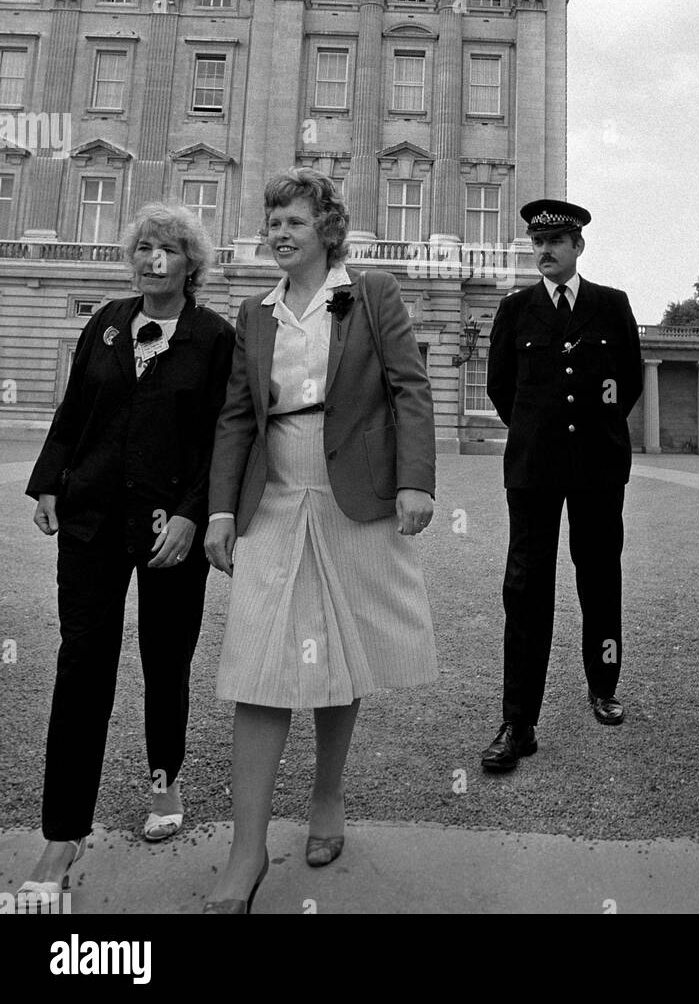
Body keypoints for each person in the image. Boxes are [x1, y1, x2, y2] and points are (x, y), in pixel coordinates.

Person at [203, 169, 437, 913]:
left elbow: (409, 387)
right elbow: (238, 416)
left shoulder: (371, 293)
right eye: (272, 220)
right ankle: (246, 854)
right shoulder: (254, 311)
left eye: (293, 222)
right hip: (273, 495)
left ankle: (327, 798)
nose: (278, 232)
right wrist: (219, 511)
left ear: (326, 230)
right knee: (256, 664)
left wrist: (416, 480)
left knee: (342, 650)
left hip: (354, 493)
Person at [16, 203, 234, 910]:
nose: (152, 259)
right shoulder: (105, 320)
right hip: (91, 521)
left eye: (167, 248)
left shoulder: (213, 337)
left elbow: (222, 441)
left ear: (189, 263)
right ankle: (62, 835)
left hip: (170, 525)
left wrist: (195, 516)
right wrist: (49, 482)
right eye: (142, 247)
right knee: (82, 663)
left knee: (165, 658)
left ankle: (162, 780)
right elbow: (75, 408)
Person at [481, 199, 643, 773]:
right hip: (534, 468)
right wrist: (539, 430)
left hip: (597, 466)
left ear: (578, 247)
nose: (544, 251)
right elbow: (502, 387)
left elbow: (627, 383)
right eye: (536, 242)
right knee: (525, 588)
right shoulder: (515, 309)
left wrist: (595, 429)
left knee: (600, 577)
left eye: (556, 241)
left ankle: (604, 686)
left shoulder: (611, 306)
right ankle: (518, 721)